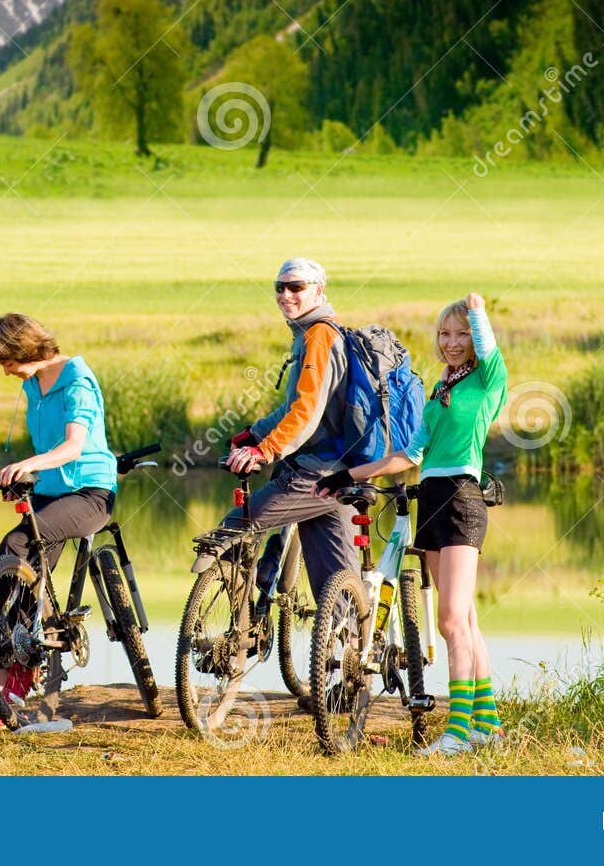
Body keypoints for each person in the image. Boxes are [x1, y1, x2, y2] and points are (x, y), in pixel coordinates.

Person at [335, 292, 506, 756]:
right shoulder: (440, 390)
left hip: (462, 499)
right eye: (444, 334)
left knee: (450, 619)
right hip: (429, 496)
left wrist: (477, 311)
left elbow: (489, 350)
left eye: (460, 335)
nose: (452, 343)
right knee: (466, 619)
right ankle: (486, 726)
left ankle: (456, 732)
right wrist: (346, 475)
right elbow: (409, 456)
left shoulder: (489, 381)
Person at [0, 313, 119, 730]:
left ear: (24, 349)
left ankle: (14, 673)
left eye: (7, 361)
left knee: (25, 541)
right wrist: (24, 477)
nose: (7, 371)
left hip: (89, 493)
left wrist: (28, 464)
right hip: (49, 491)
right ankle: (7, 680)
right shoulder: (33, 385)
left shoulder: (77, 380)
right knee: (12, 551)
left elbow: (73, 446)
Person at [217, 258, 358, 622]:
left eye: (296, 287)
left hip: (318, 470)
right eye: (279, 287)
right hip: (345, 469)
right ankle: (350, 661)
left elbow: (306, 413)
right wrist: (255, 433)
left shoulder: (319, 336)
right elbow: (294, 406)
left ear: (318, 291)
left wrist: (266, 450)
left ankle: (240, 630)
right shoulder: (312, 334)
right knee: (338, 584)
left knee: (235, 528)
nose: (285, 294)